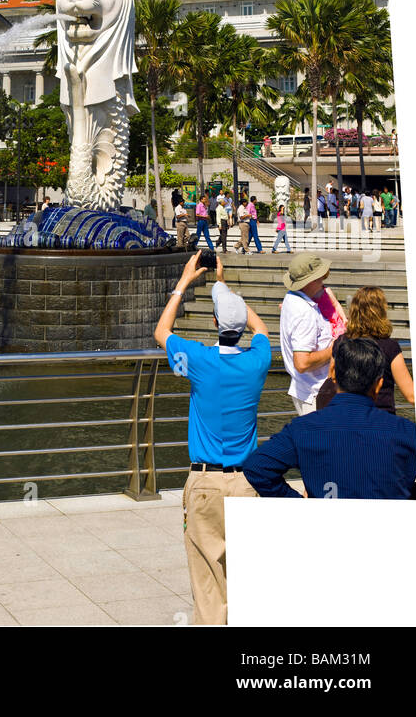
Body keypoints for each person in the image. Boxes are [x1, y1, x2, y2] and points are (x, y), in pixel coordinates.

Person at [154, 252, 272, 626]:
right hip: (247, 482)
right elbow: (262, 330)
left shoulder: (200, 361)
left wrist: (185, 282)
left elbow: (162, 333)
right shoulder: (257, 361)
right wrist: (227, 288)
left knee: (208, 585)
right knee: (246, 581)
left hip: (206, 483)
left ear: (216, 322)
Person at [243, 337, 416, 500]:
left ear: (333, 374)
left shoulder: (302, 429)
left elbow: (257, 467)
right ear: (379, 384)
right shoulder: (407, 432)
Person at [316, 286, 414, 413]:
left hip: (347, 417)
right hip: (381, 419)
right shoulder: (390, 347)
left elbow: (331, 380)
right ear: (381, 312)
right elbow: (411, 396)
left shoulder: (340, 342)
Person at [279, 253, 334, 414]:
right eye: (319, 278)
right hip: (316, 395)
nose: (322, 282)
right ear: (309, 282)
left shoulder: (292, 299)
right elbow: (302, 363)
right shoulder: (304, 312)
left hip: (309, 391)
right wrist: (334, 349)